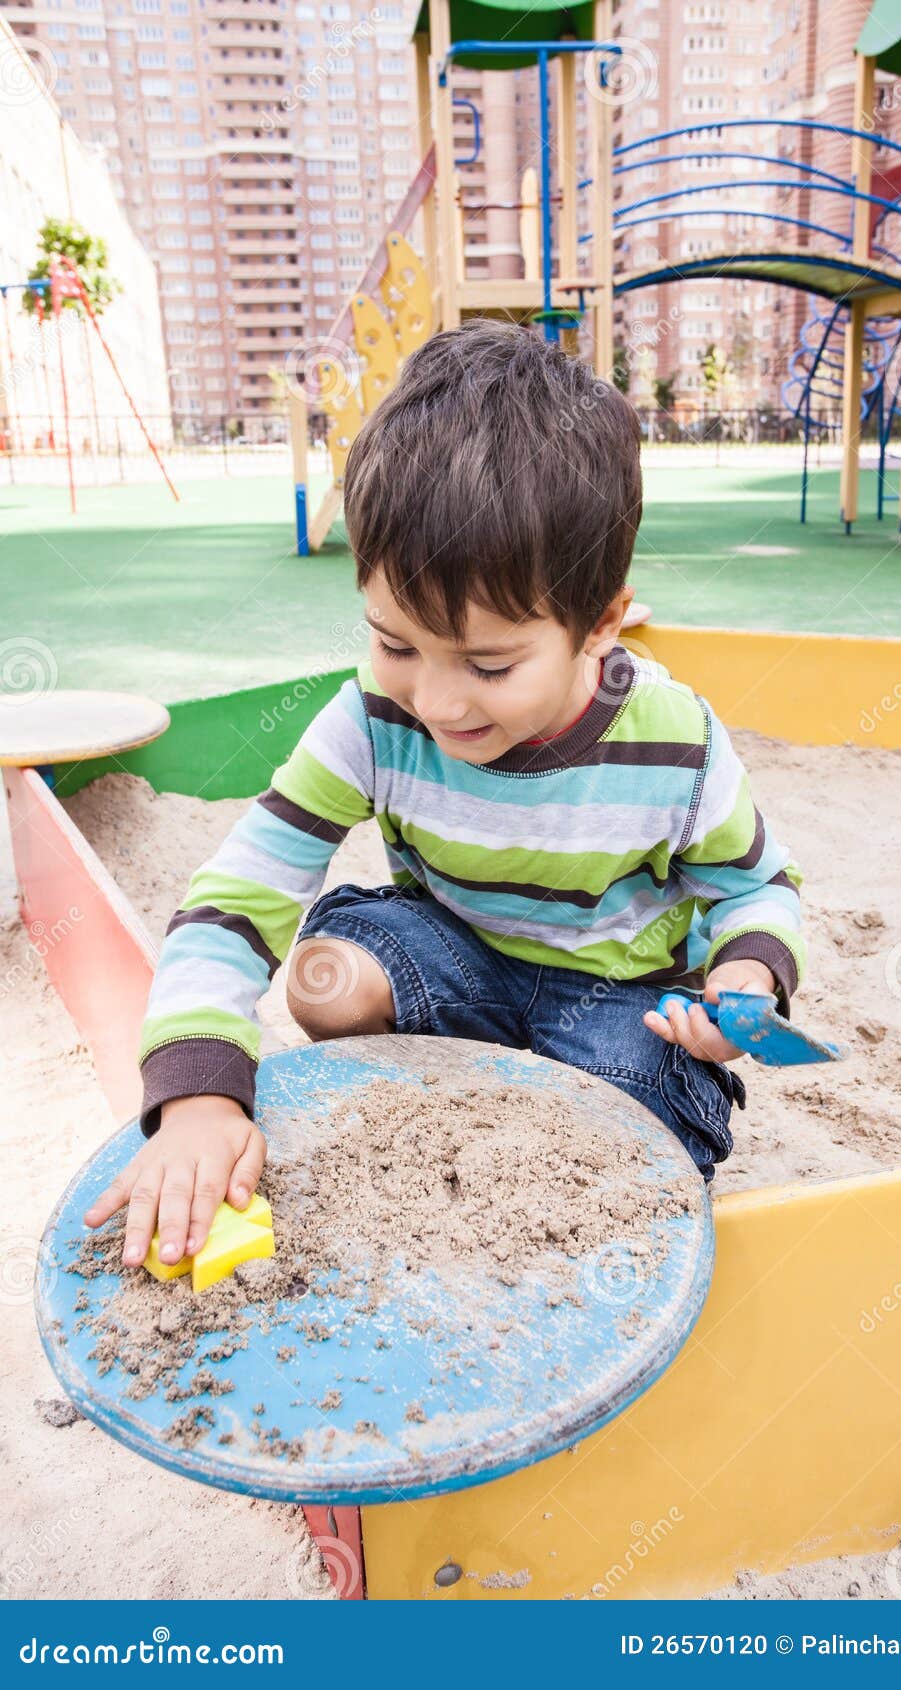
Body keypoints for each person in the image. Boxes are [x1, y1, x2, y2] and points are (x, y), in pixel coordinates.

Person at [85, 320, 805, 1270]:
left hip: (617, 995)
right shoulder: (373, 720)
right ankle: (455, 1081)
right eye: (394, 643)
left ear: (598, 624)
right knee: (327, 977)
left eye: (489, 663)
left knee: (631, 1102)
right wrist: (199, 1095)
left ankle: (576, 1098)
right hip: (460, 958)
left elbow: (758, 892)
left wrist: (746, 978)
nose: (435, 700)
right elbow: (238, 894)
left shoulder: (675, 743)